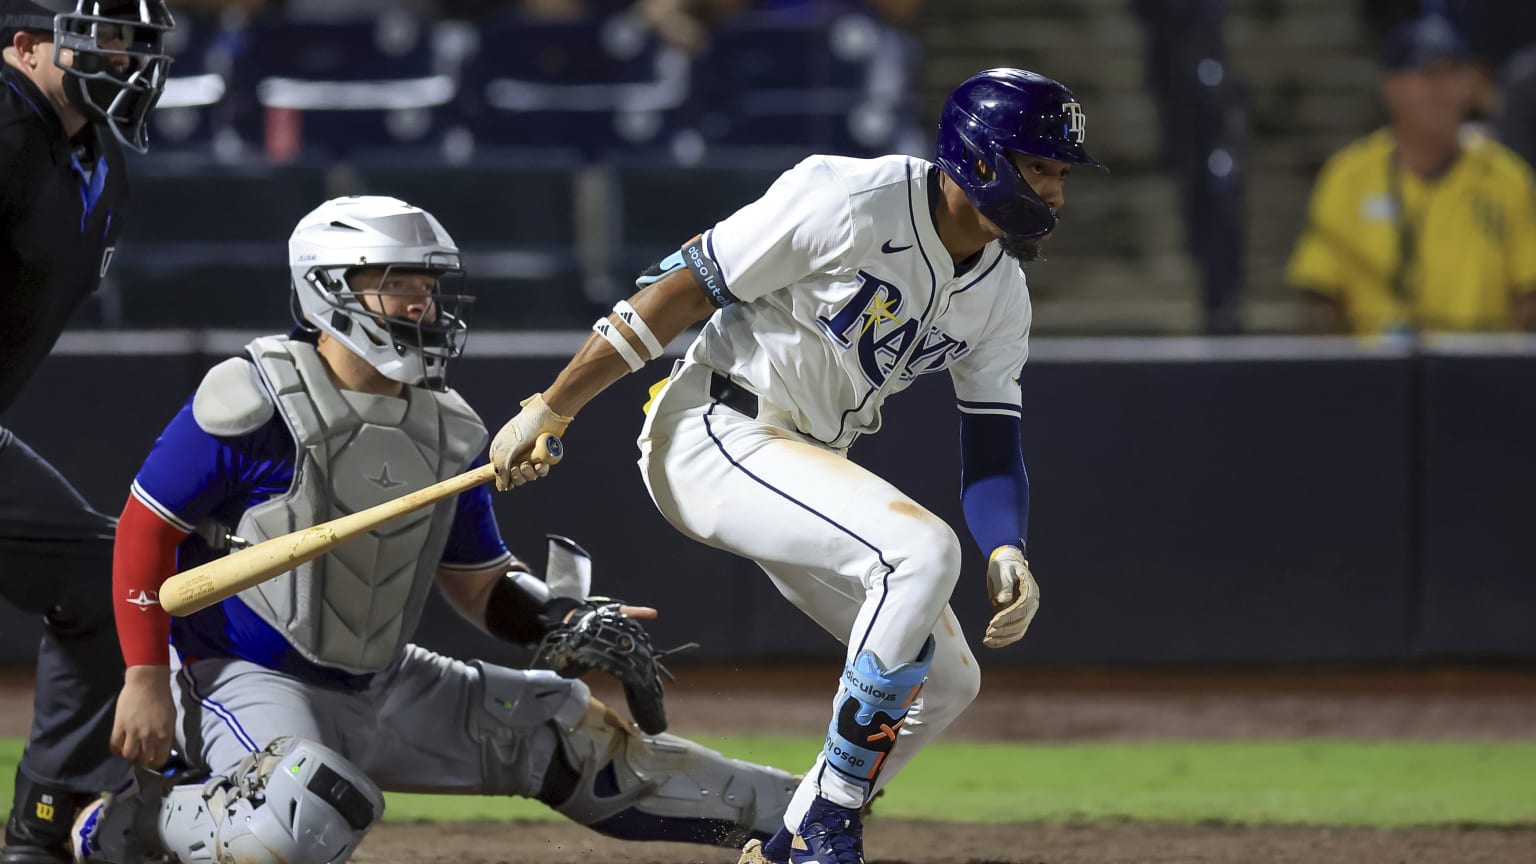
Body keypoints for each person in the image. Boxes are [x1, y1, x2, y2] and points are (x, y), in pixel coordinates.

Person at [488, 67, 1099, 864]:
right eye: (1041, 167)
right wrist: (553, 405)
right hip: (711, 430)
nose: (1055, 193)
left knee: (948, 678)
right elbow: (683, 289)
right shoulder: (849, 198)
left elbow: (991, 441)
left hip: (800, 459)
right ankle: (824, 828)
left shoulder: (1001, 294)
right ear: (981, 157)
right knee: (920, 552)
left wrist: (1009, 544)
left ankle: (791, 832)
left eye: (1059, 172)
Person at [69, 196, 797, 864]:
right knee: (296, 811)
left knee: (566, 729)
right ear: (330, 289)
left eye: (428, 284)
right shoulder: (251, 398)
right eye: (398, 282)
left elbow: (479, 583)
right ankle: (136, 822)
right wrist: (144, 679)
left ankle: (804, 817)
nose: (423, 301)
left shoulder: (445, 426)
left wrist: (562, 616)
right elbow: (144, 533)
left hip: (384, 681)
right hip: (243, 677)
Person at [0, 3, 173, 862]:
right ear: (25, 44)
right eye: (103, 38)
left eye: (135, 40)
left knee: (106, 586)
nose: (127, 58)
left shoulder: (96, 157)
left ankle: (42, 824)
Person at [1286, 13, 1536, 335]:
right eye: (1427, 74)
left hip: (1478, 365)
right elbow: (1319, 290)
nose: (1441, 90)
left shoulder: (1508, 178)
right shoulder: (1348, 177)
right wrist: (1341, 371)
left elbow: (1529, 292)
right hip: (1376, 369)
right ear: (1392, 87)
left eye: (1453, 73)